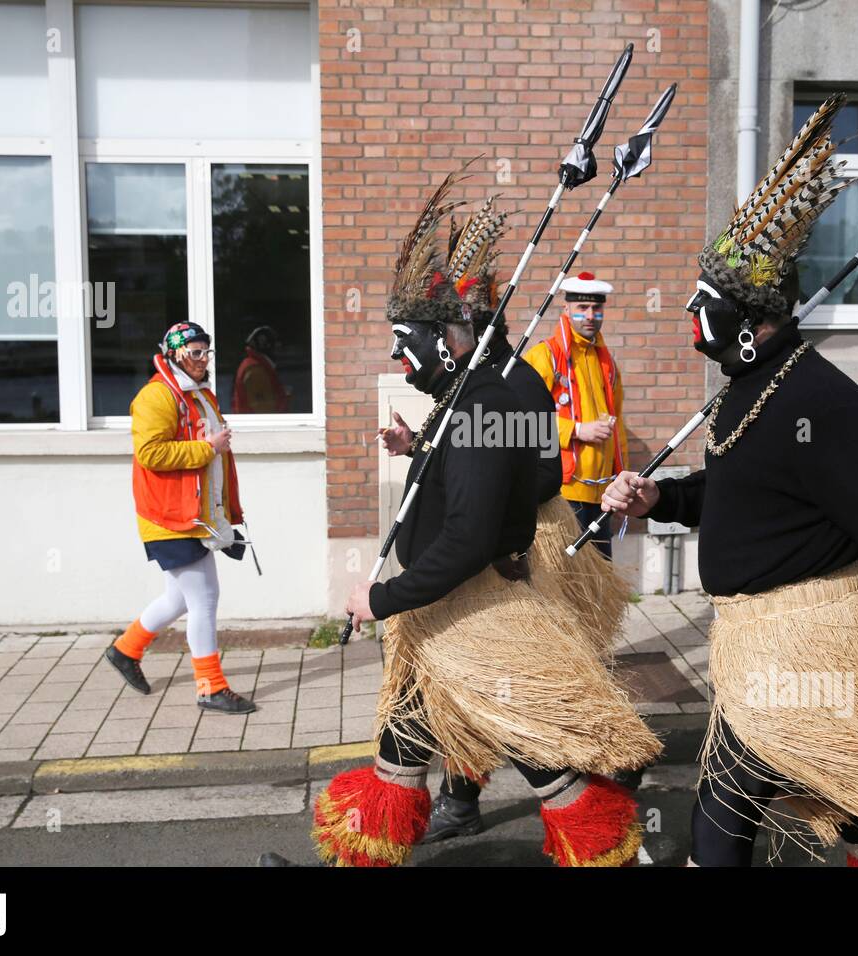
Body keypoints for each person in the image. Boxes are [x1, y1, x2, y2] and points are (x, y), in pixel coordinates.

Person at [601, 94, 858, 866]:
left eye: (703, 306)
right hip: (757, 649)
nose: (689, 319)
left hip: (811, 652)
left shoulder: (825, 404)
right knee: (848, 811)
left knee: (731, 817)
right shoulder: (744, 390)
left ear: (745, 318)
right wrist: (663, 497)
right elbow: (740, 497)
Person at [261, 166, 660, 868]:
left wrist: (381, 596)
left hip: (471, 619)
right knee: (404, 747)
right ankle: (365, 856)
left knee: (541, 760)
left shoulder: (488, 401)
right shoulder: (465, 400)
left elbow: (478, 526)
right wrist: (422, 450)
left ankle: (613, 853)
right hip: (442, 619)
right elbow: (471, 489)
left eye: (402, 337)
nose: (395, 353)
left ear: (447, 338)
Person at [377, 273, 639, 843]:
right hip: (449, 585)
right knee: (429, 711)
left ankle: (598, 802)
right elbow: (459, 471)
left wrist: (503, 539)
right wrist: (416, 447)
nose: (401, 353)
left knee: (513, 707)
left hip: (494, 573)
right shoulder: (466, 387)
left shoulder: (510, 385)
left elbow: (542, 472)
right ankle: (377, 838)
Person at [103, 321, 256, 715]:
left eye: (206, 352)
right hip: (169, 516)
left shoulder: (199, 393)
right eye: (194, 353)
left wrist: (225, 512)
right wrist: (206, 447)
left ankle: (125, 650)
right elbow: (151, 454)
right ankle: (210, 687)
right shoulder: (156, 397)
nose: (202, 360)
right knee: (204, 598)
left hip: (193, 514)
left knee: (179, 597)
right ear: (173, 355)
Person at [524, 272, 627, 560]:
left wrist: (622, 482)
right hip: (562, 495)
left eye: (597, 308)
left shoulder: (606, 362)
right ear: (566, 310)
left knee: (600, 582)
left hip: (603, 494)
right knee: (568, 582)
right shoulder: (545, 356)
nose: (591, 315)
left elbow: (618, 431)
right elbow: (521, 421)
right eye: (582, 308)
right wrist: (577, 430)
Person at [232, 325, 291, 413]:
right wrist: (284, 398)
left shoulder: (254, 365)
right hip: (256, 425)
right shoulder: (255, 371)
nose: (279, 347)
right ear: (265, 345)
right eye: (274, 343)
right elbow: (262, 409)